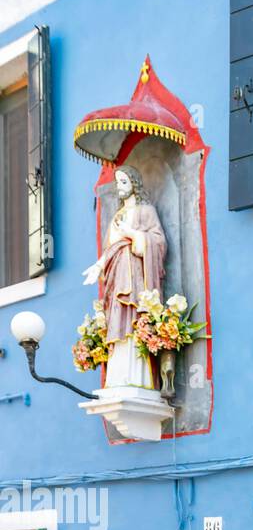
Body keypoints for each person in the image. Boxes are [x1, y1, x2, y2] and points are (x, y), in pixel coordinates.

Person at [82, 164, 166, 392]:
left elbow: (158, 242)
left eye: (124, 182)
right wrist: (99, 266)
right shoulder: (117, 216)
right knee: (117, 318)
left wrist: (133, 235)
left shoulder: (145, 211)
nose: (120, 186)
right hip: (116, 272)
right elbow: (111, 248)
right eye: (118, 182)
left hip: (137, 274)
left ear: (134, 184)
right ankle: (118, 376)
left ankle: (138, 375)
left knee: (134, 315)